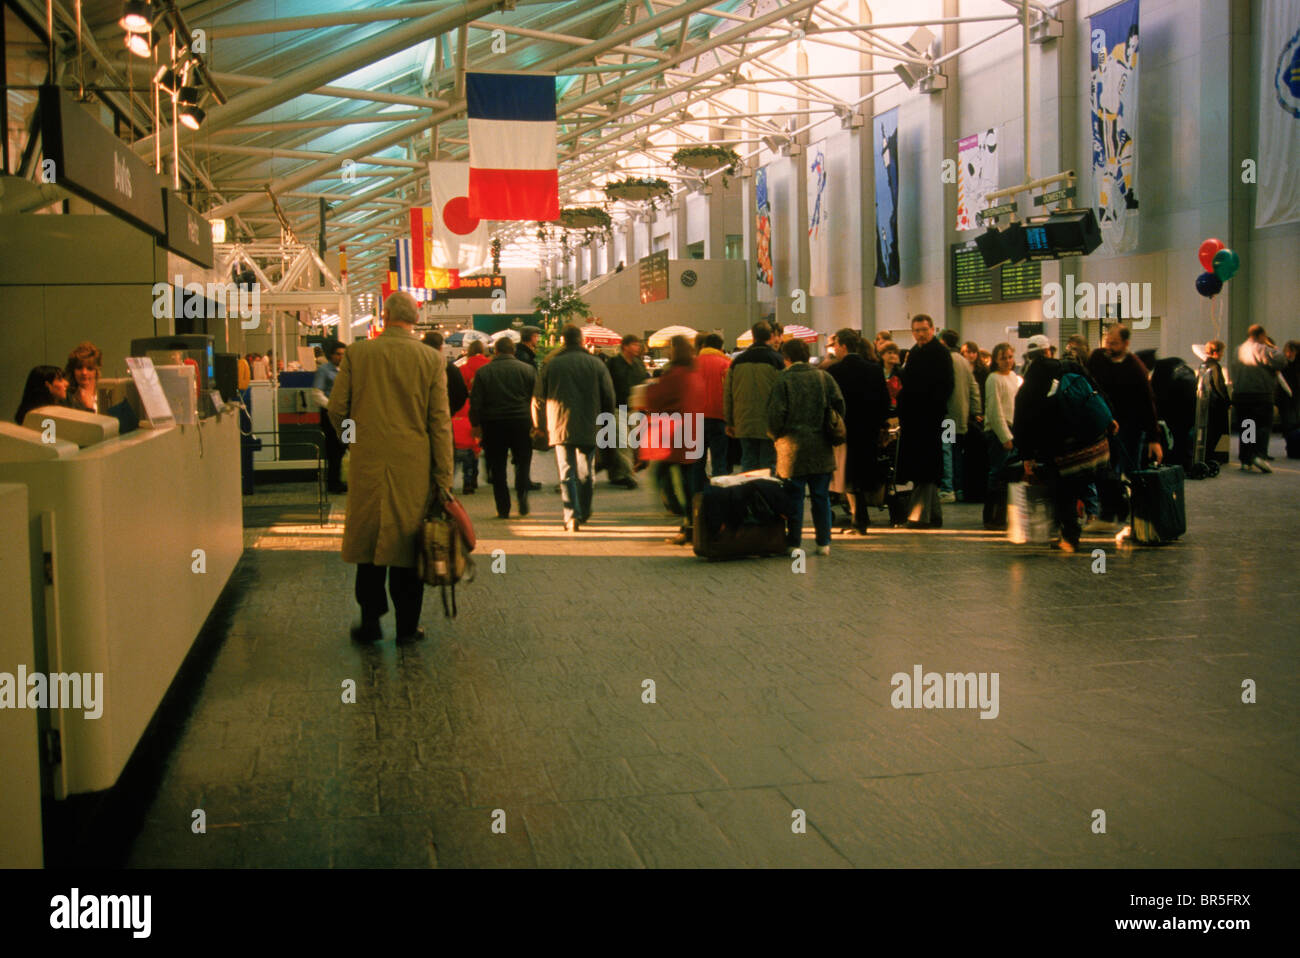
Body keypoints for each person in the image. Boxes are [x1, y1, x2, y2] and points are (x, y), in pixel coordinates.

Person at [328, 291, 454, 644]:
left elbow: (337, 409)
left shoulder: (357, 353)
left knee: (368, 546)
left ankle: (370, 622)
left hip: (367, 463)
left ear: (384, 317)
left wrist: (355, 439)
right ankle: (406, 627)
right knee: (407, 545)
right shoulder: (430, 359)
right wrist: (443, 476)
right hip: (413, 466)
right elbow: (439, 422)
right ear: (415, 319)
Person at [1012, 335, 1105, 552]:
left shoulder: (1032, 376)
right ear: (1049, 351)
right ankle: (1094, 519)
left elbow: (1022, 417)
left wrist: (1026, 454)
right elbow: (1096, 392)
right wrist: (1109, 420)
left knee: (1063, 491)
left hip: (1054, 445)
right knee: (1085, 483)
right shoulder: (1070, 366)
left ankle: (1069, 536)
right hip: (1082, 440)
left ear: (1030, 356)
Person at [533, 324, 616, 533]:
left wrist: (539, 426)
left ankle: (571, 516)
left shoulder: (551, 365)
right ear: (581, 341)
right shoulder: (596, 364)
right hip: (590, 424)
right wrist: (606, 422)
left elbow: (538, 399)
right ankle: (585, 510)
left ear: (563, 341)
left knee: (567, 471)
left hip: (559, 425)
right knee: (586, 471)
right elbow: (609, 396)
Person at [767, 338, 845, 555]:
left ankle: (794, 542)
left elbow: (775, 415)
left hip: (791, 449)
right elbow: (839, 405)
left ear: (787, 358)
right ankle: (824, 542)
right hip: (821, 445)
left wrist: (775, 436)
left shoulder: (782, 380)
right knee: (821, 496)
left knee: (795, 497)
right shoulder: (823, 377)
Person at [1088, 324, 1161, 519]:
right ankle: (1109, 513)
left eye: (1114, 343)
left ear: (1126, 343)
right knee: (1105, 470)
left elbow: (1148, 403)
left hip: (1131, 427)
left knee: (1131, 471)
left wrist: (1154, 439)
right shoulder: (1096, 358)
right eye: (1107, 342)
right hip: (1105, 424)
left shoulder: (1136, 368)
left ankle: (1139, 514)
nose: (1109, 347)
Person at [824, 329, 890, 535]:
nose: (834, 349)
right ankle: (859, 517)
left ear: (843, 346)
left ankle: (858, 518)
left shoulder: (834, 371)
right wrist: (881, 425)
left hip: (845, 429)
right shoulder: (874, 369)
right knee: (862, 472)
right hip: (868, 429)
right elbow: (884, 401)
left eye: (835, 345)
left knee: (847, 474)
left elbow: (830, 403)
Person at [643, 335, 707, 545]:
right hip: (693, 431)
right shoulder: (694, 372)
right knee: (690, 480)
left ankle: (685, 518)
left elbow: (655, 398)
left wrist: (650, 388)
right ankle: (692, 525)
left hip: (676, 435)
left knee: (664, 474)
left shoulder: (676, 374)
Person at [470, 337, 537, 519]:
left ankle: (503, 506)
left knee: (497, 466)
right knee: (523, 462)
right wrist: (537, 423)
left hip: (493, 424)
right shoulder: (528, 370)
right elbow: (536, 399)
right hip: (521, 422)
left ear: (496, 351)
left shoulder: (484, 372)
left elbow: (476, 402)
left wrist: (475, 425)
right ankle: (522, 493)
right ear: (513, 351)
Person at [897, 315, 954, 528]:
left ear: (932, 329)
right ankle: (932, 514)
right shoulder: (917, 352)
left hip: (927, 419)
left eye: (923, 329)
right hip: (919, 419)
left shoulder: (938, 354)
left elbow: (946, 385)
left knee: (925, 467)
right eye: (916, 330)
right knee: (926, 466)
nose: (920, 334)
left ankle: (919, 515)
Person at [723, 320, 785, 472]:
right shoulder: (778, 361)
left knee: (748, 462)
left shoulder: (737, 362)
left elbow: (728, 393)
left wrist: (729, 421)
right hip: (769, 422)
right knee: (768, 464)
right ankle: (765, 494)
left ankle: (749, 494)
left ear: (753, 336)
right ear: (771, 336)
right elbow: (783, 392)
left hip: (743, 421)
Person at [1230, 325, 1286, 472]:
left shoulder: (1238, 349)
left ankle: (1246, 458)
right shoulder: (1263, 349)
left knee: (1247, 426)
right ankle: (1259, 455)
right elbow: (1281, 360)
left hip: (1241, 395)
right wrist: (1271, 345)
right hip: (1261, 395)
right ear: (1261, 335)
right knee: (1262, 426)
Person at [982, 343, 1021, 530]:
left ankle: (1003, 516)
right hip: (998, 432)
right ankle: (991, 516)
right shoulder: (993, 379)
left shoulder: (1014, 377)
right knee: (996, 474)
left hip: (1012, 430)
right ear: (995, 360)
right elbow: (994, 409)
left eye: (1010, 357)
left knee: (1008, 477)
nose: (1007, 361)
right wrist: (1004, 436)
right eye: (1003, 357)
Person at [939, 328, 982, 503]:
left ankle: (947, 489)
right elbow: (974, 387)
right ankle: (959, 488)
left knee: (946, 450)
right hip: (961, 415)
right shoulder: (964, 362)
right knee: (957, 452)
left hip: (947, 415)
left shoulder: (944, 360)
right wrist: (976, 410)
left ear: (943, 342)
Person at [606, 334, 649, 488]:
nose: (637, 347)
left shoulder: (639, 364)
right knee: (623, 442)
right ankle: (628, 474)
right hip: (618, 407)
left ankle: (618, 474)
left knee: (633, 443)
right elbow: (607, 384)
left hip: (635, 409)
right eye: (634, 344)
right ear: (625, 346)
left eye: (638, 345)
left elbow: (644, 383)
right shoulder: (613, 363)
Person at [311, 340, 348, 494]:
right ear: (331, 355)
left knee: (348, 446)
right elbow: (316, 394)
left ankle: (345, 479)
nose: (341, 357)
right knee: (334, 449)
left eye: (344, 354)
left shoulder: (348, 370)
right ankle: (333, 483)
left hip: (347, 416)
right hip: (330, 415)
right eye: (338, 354)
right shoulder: (324, 370)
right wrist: (332, 407)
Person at [694, 333, 732, 479]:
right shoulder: (726, 364)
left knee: (697, 462)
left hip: (695, 418)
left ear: (703, 346)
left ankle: (697, 497)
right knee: (719, 461)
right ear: (721, 347)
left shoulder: (692, 364)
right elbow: (729, 392)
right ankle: (719, 495)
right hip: (719, 417)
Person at [1202, 339, 1231, 464]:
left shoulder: (1204, 364)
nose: (1222, 354)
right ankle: (1212, 456)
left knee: (1210, 431)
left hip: (1209, 404)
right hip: (1217, 405)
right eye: (1221, 352)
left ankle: (1208, 455)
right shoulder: (1214, 366)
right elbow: (1219, 386)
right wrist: (1227, 401)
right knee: (1217, 431)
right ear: (1215, 352)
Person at [63, 341, 103, 413]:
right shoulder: (67, 398)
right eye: (79, 368)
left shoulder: (105, 393)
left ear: (96, 371)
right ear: (73, 370)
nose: (84, 373)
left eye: (89, 368)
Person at [880, 342, 902, 414]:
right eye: (889, 353)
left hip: (897, 408)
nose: (893, 355)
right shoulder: (877, 370)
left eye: (895, 353)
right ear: (882, 355)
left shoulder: (901, 372)